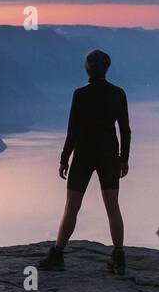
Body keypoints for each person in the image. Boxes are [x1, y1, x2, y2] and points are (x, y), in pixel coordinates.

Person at [37, 49, 131, 274]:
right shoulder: (118, 94)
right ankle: (118, 258)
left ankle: (58, 255)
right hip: (109, 154)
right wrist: (123, 159)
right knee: (112, 207)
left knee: (71, 207)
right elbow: (125, 130)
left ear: (88, 68)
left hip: (84, 154)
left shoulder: (81, 94)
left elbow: (73, 130)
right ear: (107, 68)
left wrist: (64, 158)